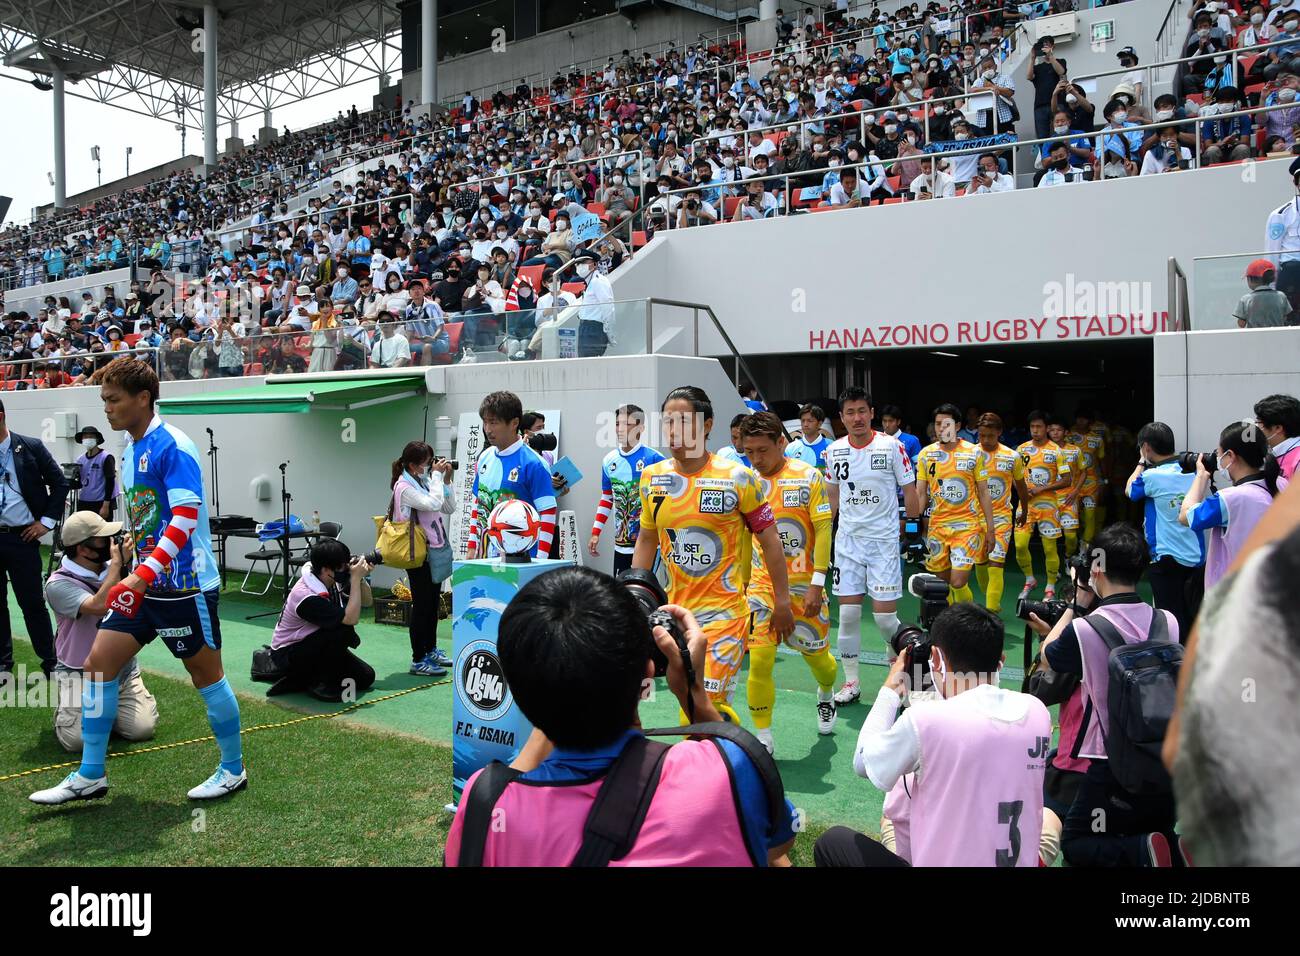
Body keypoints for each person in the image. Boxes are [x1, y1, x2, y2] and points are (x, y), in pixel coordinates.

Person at [443, 567, 797, 866]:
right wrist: (693, 693)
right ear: (647, 670)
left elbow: (509, 783)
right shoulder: (725, 771)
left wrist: (550, 693)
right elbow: (777, 846)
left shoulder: (484, 805)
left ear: (514, 688)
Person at [30, 361, 244, 805]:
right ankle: (91, 774)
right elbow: (153, 514)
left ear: (142, 398)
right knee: (98, 663)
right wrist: (135, 556)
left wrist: (142, 574)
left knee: (207, 676)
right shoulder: (131, 446)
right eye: (104, 400)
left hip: (184, 588)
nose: (106, 409)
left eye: (113, 399)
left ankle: (232, 769)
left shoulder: (174, 446)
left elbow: (185, 517)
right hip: (142, 587)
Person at [816, 603, 1051, 867]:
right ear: (1001, 661)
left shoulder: (926, 721)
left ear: (936, 658)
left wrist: (891, 689)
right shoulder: (1037, 712)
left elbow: (863, 763)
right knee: (1050, 820)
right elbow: (971, 718)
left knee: (834, 842)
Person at [632, 386, 793, 725]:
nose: (674, 431)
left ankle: (719, 765)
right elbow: (647, 538)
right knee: (699, 702)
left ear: (707, 426)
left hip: (725, 616)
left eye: (684, 422)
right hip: (673, 614)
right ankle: (731, 756)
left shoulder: (738, 477)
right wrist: (636, 599)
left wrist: (781, 602)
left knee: (696, 700)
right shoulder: (652, 477)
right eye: (668, 422)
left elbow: (771, 540)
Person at [1030, 524, 1185, 867]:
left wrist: (1076, 603)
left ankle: (1150, 850)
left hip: (1109, 759)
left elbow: (1047, 655)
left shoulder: (1085, 629)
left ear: (1096, 569)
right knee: (1153, 830)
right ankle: (1175, 847)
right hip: (1163, 754)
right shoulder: (1167, 621)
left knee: (1079, 844)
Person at [739, 412, 839, 754]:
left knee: (821, 663)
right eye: (749, 451)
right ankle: (764, 736)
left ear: (783, 442)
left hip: (805, 585)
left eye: (762, 450)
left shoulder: (808, 476)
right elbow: (741, 537)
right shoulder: (745, 480)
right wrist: (741, 584)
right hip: (761, 586)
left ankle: (826, 694)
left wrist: (817, 584)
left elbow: (824, 529)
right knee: (761, 659)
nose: (755, 458)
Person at [825, 387, 922, 706]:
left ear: (872, 413)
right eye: (849, 412)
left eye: (862, 411)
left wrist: (912, 530)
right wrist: (824, 536)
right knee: (849, 614)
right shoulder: (835, 451)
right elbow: (832, 497)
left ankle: (902, 667)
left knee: (883, 620)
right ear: (841, 418)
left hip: (883, 543)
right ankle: (851, 682)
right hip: (848, 545)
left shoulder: (892, 447)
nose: (857, 417)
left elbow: (909, 489)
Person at [45, 511, 157, 752]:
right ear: (83, 550)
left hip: (121, 671)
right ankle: (70, 710)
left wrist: (123, 566)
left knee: (142, 729)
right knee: (77, 742)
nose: (112, 542)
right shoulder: (57, 584)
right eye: (104, 538)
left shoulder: (113, 568)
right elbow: (98, 606)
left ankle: (106, 707)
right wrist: (118, 565)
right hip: (78, 674)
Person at [0, 397, 67, 679]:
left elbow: (60, 483)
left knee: (32, 603)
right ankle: (3, 663)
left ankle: (51, 660)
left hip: (23, 537)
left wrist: (46, 523)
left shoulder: (29, 446)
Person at [1179, 420, 1285, 590]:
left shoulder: (1230, 499)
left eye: (1219, 453)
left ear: (1230, 455)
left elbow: (1185, 516)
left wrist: (1200, 477)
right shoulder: (1280, 483)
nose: (1218, 459)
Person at [267, 538, 376, 701]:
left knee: (366, 677)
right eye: (343, 565)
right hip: (288, 653)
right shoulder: (306, 595)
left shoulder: (329, 577)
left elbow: (367, 602)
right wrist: (354, 579)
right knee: (342, 630)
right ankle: (321, 684)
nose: (347, 568)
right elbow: (350, 619)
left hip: (315, 644)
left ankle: (302, 679)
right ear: (326, 569)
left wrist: (360, 578)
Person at [1126, 422, 1206, 639]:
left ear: (1146, 447)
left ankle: (1175, 665)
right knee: (1194, 616)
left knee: (1170, 618)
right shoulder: (1194, 471)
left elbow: (1130, 491)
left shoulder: (1152, 476)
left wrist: (1141, 463)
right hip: (1196, 556)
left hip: (1165, 558)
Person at [388, 440, 457, 676]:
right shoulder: (404, 487)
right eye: (426, 463)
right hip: (417, 554)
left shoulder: (423, 480)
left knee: (431, 604)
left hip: (433, 550)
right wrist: (437, 478)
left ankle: (430, 650)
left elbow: (448, 507)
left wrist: (446, 481)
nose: (430, 466)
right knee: (422, 606)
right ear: (412, 464)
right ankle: (418, 659)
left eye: (431, 462)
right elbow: (432, 503)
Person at [915, 404, 996, 606]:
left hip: (967, 526)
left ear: (958, 426)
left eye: (946, 424)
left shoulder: (974, 453)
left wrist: (990, 529)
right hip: (937, 527)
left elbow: (984, 492)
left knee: (958, 581)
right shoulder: (926, 454)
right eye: (937, 424)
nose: (941, 428)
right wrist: (912, 523)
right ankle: (954, 620)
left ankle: (970, 613)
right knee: (941, 584)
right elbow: (920, 493)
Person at [467, 391, 558, 559]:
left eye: (493, 423)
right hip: (486, 558)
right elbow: (477, 505)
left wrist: (540, 561)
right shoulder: (484, 458)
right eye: (485, 422)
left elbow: (548, 512)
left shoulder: (535, 464)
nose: (487, 429)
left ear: (514, 423)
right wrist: (472, 547)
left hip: (521, 561)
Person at [589, 404, 665, 578]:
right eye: (617, 424)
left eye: (626, 424)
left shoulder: (655, 459)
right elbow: (607, 498)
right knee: (622, 592)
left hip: (650, 543)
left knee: (643, 592)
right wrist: (595, 532)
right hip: (620, 545)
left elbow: (667, 502)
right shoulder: (609, 460)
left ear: (640, 427)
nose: (620, 429)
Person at [1013, 410, 1073, 602]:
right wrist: (1022, 490)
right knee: (1020, 545)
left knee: (1049, 549)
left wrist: (1042, 489)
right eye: (1032, 427)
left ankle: (1050, 587)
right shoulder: (1021, 450)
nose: (1035, 430)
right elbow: (1015, 476)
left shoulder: (1056, 450)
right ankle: (1030, 580)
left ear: (1046, 429)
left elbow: (1067, 480)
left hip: (1048, 507)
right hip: (1026, 506)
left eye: (1039, 427)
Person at [972, 413, 1017, 614]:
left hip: (1001, 517)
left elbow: (1021, 486)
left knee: (996, 562)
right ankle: (991, 601)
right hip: (974, 517)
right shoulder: (971, 454)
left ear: (999, 432)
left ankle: (990, 610)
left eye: (990, 435)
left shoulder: (1011, 456)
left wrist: (1024, 508)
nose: (986, 440)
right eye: (982, 436)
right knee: (980, 563)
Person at [1066, 408, 1107, 547]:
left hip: (1092, 483)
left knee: (1090, 517)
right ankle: (1076, 545)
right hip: (1072, 484)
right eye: (1078, 418)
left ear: (1090, 421)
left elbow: (1102, 461)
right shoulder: (1069, 437)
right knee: (1075, 518)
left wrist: (1104, 481)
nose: (1081, 421)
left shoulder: (1097, 438)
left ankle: (1085, 549)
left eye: (1084, 418)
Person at [1047, 420, 1085, 558]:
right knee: (1050, 537)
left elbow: (1084, 472)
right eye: (1052, 430)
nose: (1055, 433)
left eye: (1059, 430)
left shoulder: (1075, 450)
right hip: (1049, 499)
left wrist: (1076, 491)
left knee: (1071, 536)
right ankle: (1054, 566)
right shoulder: (1044, 450)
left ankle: (1068, 558)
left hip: (1069, 498)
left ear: (1066, 432)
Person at [571, 250, 615, 357]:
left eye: (584, 262)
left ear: (594, 264)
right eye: (578, 263)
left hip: (594, 328)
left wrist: (609, 332)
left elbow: (608, 307)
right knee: (585, 364)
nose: (580, 266)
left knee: (590, 363)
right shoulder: (589, 283)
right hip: (586, 327)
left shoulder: (598, 281)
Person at [1233, 259, 1292, 328]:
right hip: (1277, 336)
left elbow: (1241, 324)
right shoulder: (1281, 296)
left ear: (1250, 279)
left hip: (1255, 337)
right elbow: (1285, 317)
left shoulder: (1245, 299)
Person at [73, 426, 116, 519]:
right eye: (85, 437)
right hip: (84, 502)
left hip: (101, 502)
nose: (88, 439)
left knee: (103, 532)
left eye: (91, 436)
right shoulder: (80, 459)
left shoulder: (106, 457)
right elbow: (79, 482)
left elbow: (110, 481)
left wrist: (106, 506)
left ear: (97, 439)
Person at [1254, 393, 1300, 479]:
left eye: (1258, 422)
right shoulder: (1275, 454)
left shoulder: (1298, 459)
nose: (1256, 427)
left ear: (1278, 428)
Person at [785, 403, 831, 473]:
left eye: (810, 421)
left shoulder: (832, 446)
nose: (805, 424)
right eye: (803, 421)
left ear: (820, 424)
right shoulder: (791, 448)